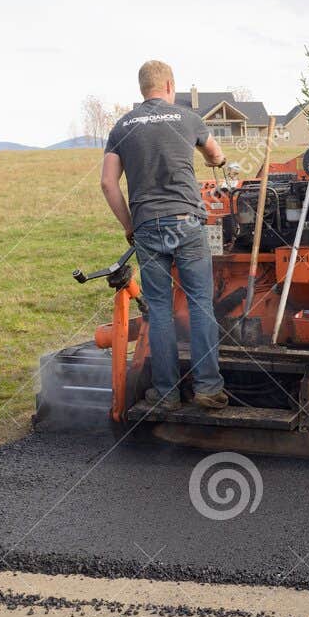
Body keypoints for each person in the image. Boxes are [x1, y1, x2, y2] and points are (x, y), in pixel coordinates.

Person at [100, 60, 229, 410]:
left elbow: (108, 183)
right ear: (170, 85)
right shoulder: (188, 118)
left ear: (142, 88)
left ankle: (167, 393)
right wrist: (216, 162)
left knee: (158, 309)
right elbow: (216, 155)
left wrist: (130, 225)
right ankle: (208, 388)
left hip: (147, 226)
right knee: (200, 303)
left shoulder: (122, 126)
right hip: (187, 222)